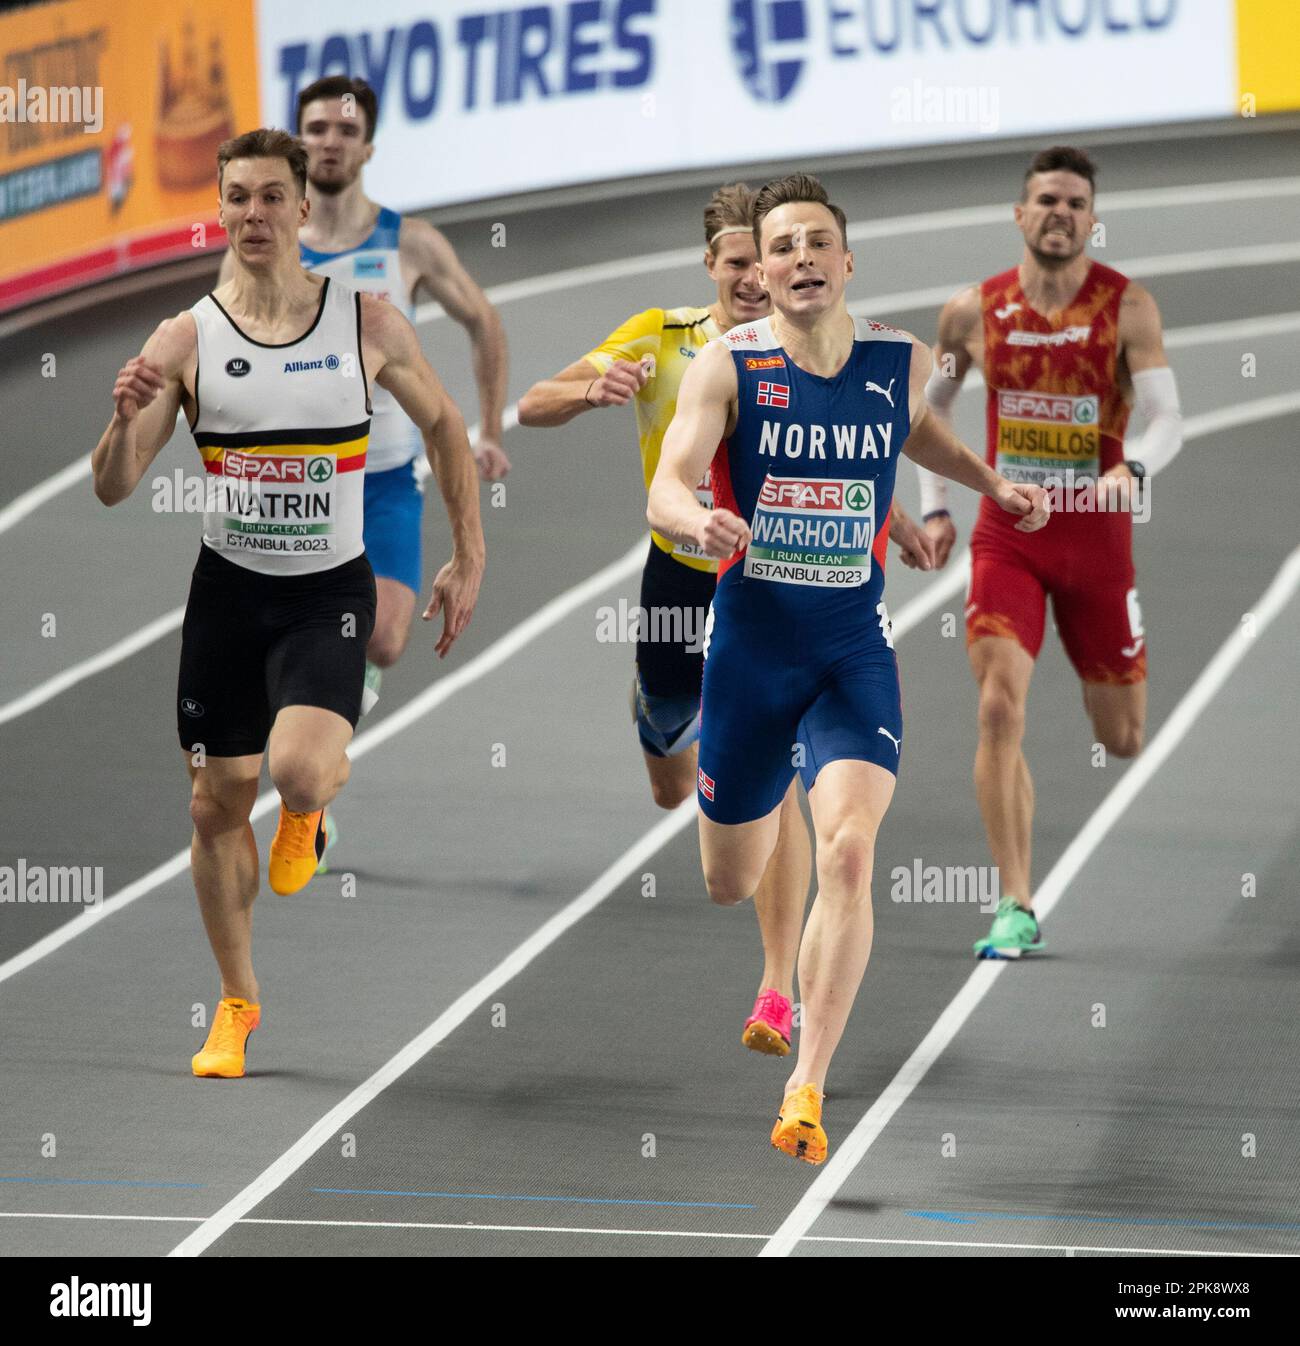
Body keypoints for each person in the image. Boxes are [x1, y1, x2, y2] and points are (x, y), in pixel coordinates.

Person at [647, 172, 1048, 1163]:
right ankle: (770, 789)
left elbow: (916, 431)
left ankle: (806, 1084)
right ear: (765, 270)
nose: (798, 260)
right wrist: (697, 516)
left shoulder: (897, 359)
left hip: (848, 652)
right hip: (747, 652)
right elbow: (666, 480)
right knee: (727, 879)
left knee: (852, 851)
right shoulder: (726, 366)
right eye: (779, 247)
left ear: (846, 258)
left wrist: (991, 482)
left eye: (815, 241)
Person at [93, 129, 485, 1078]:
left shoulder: (366, 322)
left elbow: (444, 427)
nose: (255, 215)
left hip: (327, 594)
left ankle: (307, 811)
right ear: (218, 211)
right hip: (228, 600)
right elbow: (114, 484)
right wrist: (118, 416)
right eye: (238, 198)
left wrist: (467, 552)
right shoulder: (184, 340)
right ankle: (237, 1002)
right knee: (214, 806)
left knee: (300, 773)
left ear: (304, 209)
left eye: (274, 197)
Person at [519, 184, 936, 1058]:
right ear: (712, 266)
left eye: (769, 256)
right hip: (683, 582)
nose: (758, 275)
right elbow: (533, 403)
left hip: (780, 597)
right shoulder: (668, 338)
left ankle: (777, 986)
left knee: (791, 768)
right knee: (674, 781)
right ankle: (662, 713)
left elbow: (859, 451)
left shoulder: (820, 341)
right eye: (741, 261)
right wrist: (598, 387)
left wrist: (893, 519)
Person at [915, 146, 1183, 960]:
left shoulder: (1127, 307)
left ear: (1092, 219)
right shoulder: (972, 312)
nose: (1060, 212)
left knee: (1124, 738)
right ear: (1020, 214)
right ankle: (1015, 902)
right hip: (1012, 536)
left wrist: (1132, 467)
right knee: (999, 705)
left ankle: (1096, 677)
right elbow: (928, 419)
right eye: (1046, 199)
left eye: (1075, 201)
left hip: (1097, 546)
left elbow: (1170, 418)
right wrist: (937, 513)